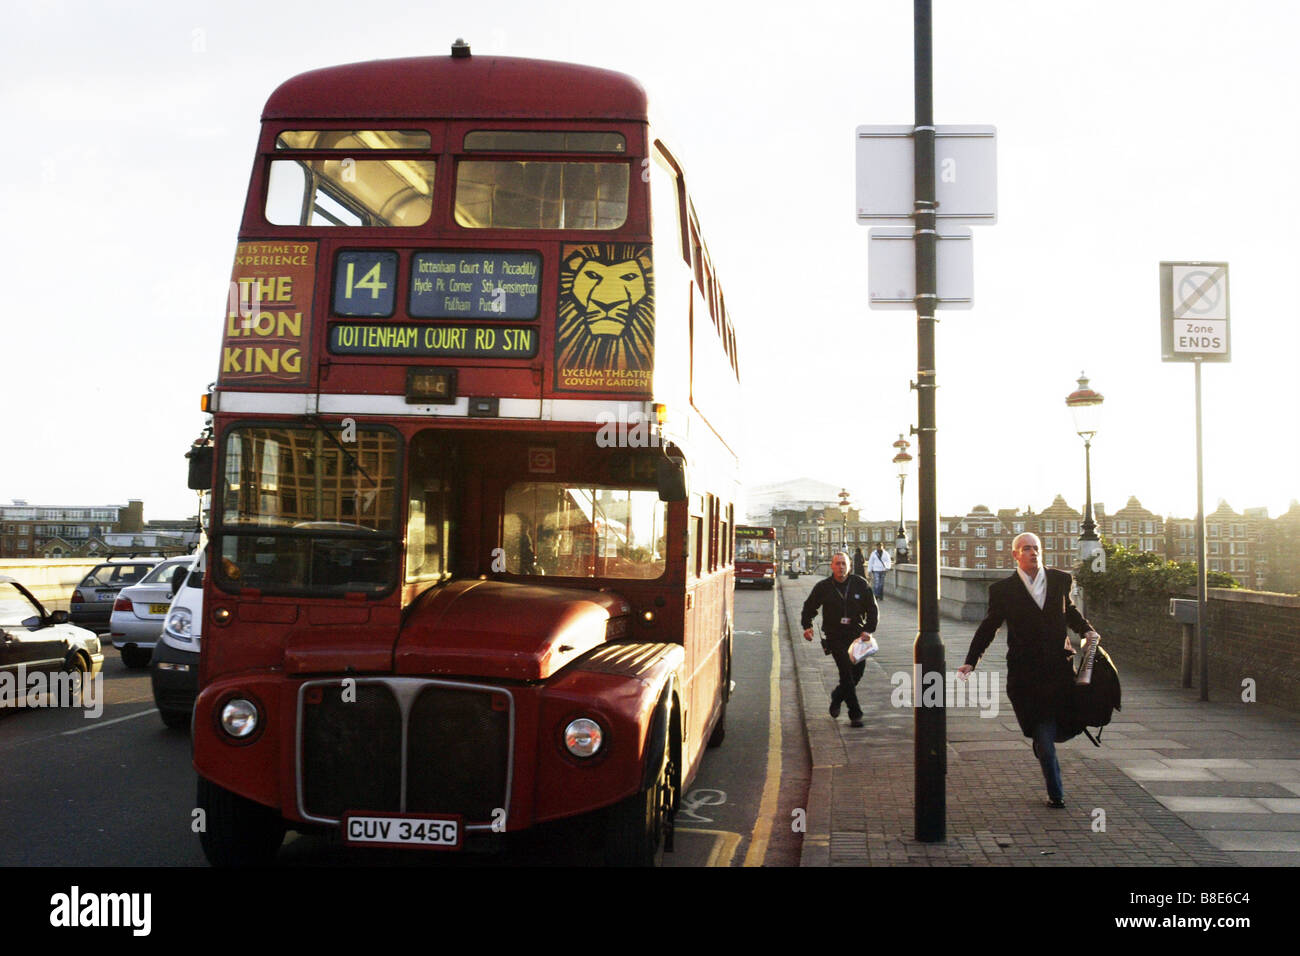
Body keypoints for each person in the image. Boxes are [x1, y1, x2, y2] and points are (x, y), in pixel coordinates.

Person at [957, 532, 1100, 808]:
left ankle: (1042, 742)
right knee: (1044, 732)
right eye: (1026, 548)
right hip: (1026, 674)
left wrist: (1087, 631)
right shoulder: (1003, 590)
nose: (1033, 552)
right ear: (1015, 555)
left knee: (1067, 724)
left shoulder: (1060, 580)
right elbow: (989, 626)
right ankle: (1056, 792)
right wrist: (971, 660)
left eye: (1036, 548)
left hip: (1059, 668)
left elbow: (1069, 611)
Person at [801, 550, 879, 727]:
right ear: (831, 566)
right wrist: (807, 626)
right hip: (834, 635)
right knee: (846, 672)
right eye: (837, 563)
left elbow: (873, 609)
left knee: (856, 674)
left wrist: (869, 630)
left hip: (857, 636)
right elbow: (809, 607)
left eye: (844, 563)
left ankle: (837, 696)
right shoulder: (823, 587)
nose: (841, 567)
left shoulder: (860, 584)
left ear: (849, 566)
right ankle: (855, 713)